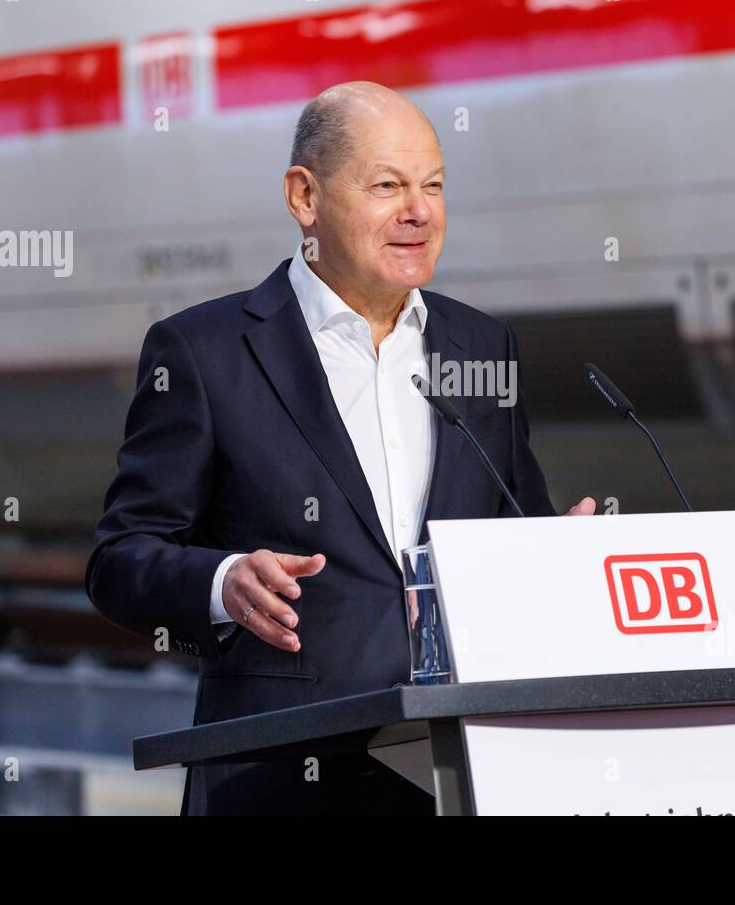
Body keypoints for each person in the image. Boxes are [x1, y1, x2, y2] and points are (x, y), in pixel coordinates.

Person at [86, 81, 594, 814]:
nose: (418, 212)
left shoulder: (483, 347)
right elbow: (120, 559)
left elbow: (510, 526)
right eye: (388, 185)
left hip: (453, 771)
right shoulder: (204, 352)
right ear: (305, 197)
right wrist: (224, 581)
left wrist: (553, 555)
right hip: (277, 780)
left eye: (433, 187)